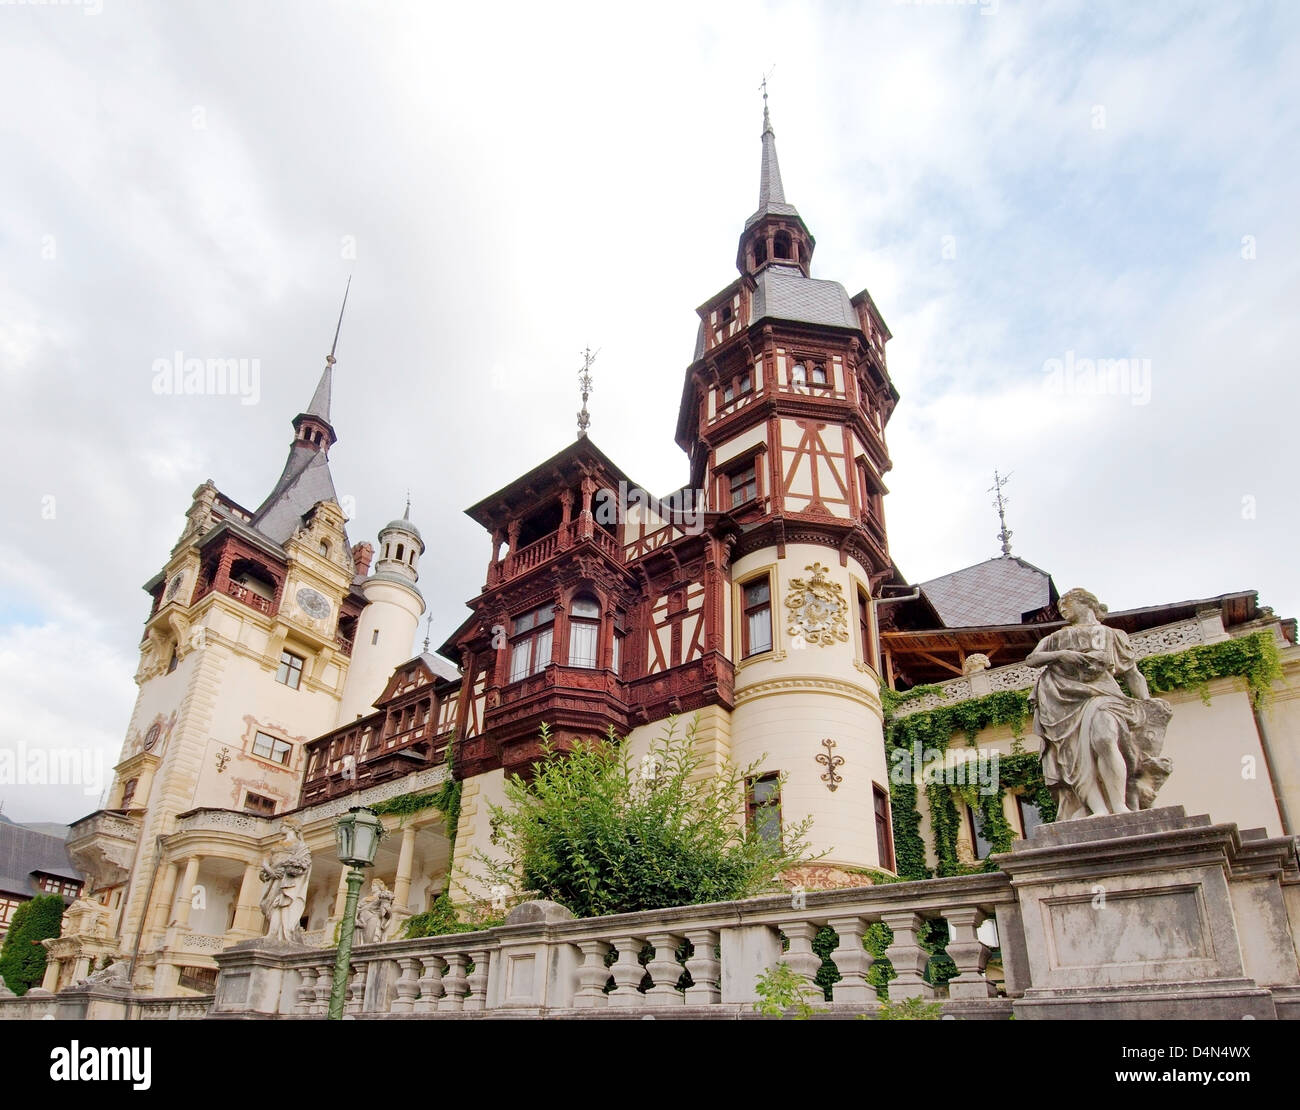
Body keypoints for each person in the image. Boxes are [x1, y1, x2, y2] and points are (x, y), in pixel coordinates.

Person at [1028, 587, 1172, 819]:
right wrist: (1061, 655)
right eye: (1060, 607)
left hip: (1102, 694)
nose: (1062, 609)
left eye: (1067, 603)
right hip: (1060, 699)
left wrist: (1147, 702)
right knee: (1074, 757)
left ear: (1086, 603)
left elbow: (1132, 673)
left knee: (1104, 738)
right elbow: (1032, 659)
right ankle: (1098, 810)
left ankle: (1120, 805)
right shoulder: (1056, 638)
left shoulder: (1112, 635)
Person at [259, 820, 312, 943]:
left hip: (286, 879)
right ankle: (272, 933)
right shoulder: (278, 844)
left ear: (291, 828)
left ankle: (275, 933)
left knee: (280, 904)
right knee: (270, 904)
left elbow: (303, 862)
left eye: (283, 826)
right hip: (274, 877)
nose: (281, 828)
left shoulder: (300, 845)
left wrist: (288, 868)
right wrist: (270, 870)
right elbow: (265, 860)